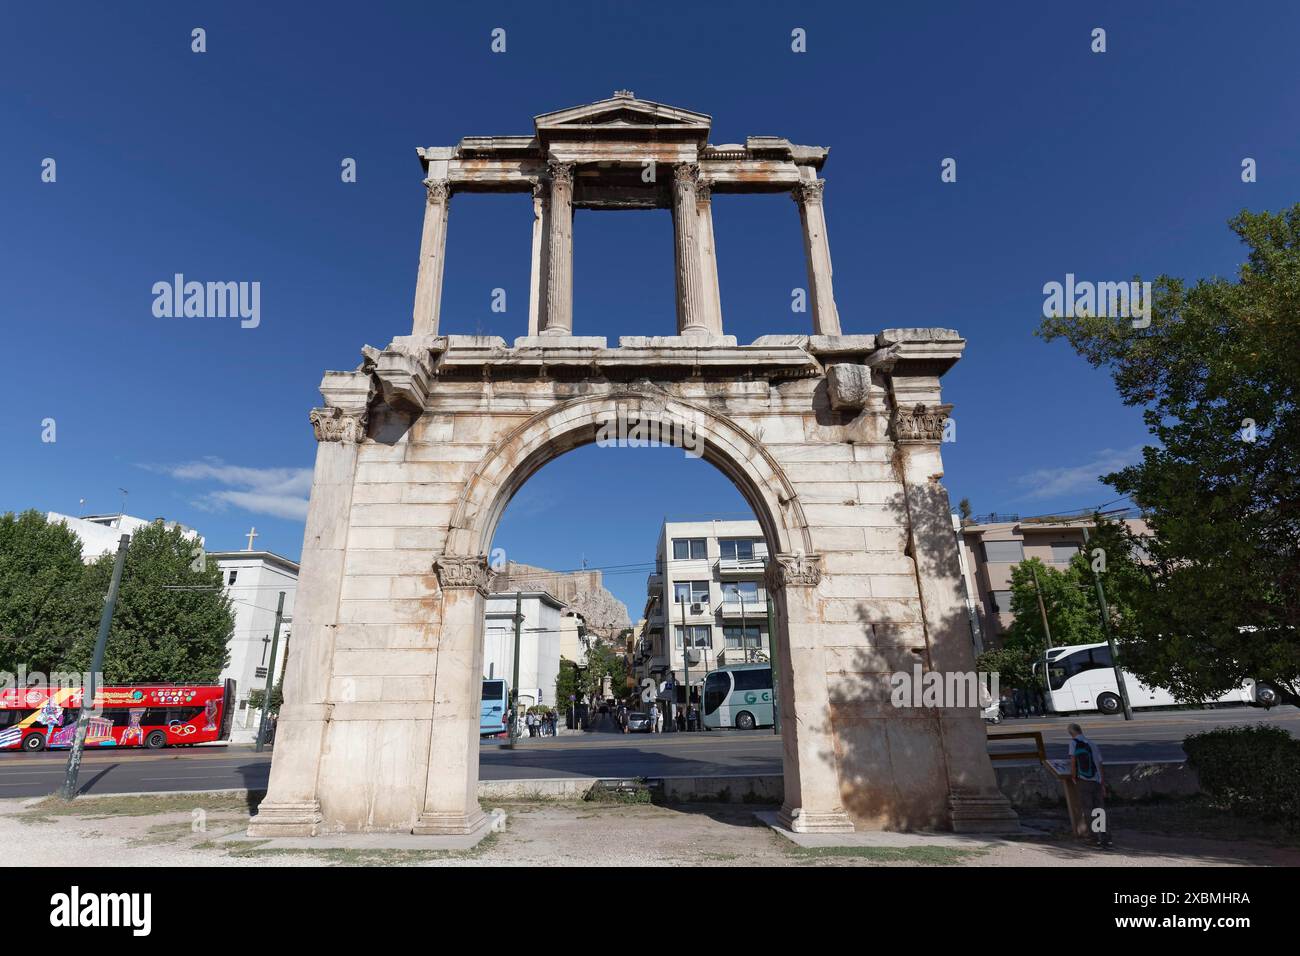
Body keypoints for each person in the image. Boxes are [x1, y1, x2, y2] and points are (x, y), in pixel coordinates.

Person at [1068, 722, 1112, 848]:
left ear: (1071, 733)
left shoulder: (1073, 743)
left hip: (1083, 780)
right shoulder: (1092, 743)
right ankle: (1105, 837)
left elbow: (1073, 760)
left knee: (1088, 809)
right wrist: (1102, 781)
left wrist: (1073, 775)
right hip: (1096, 780)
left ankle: (1094, 837)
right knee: (1099, 809)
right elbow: (1100, 763)